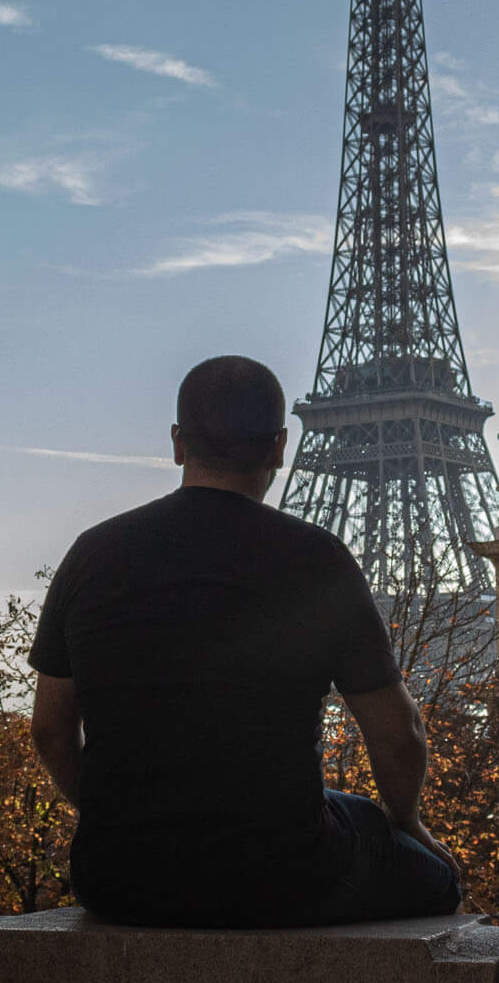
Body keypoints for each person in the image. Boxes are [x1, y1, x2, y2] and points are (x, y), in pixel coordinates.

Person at [27, 355, 462, 927]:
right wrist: (406, 821)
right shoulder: (317, 560)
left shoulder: (92, 554)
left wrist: (118, 817)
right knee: (425, 866)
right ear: (280, 447)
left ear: (179, 443)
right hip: (281, 874)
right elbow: (397, 731)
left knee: (347, 813)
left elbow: (50, 728)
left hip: (117, 877)